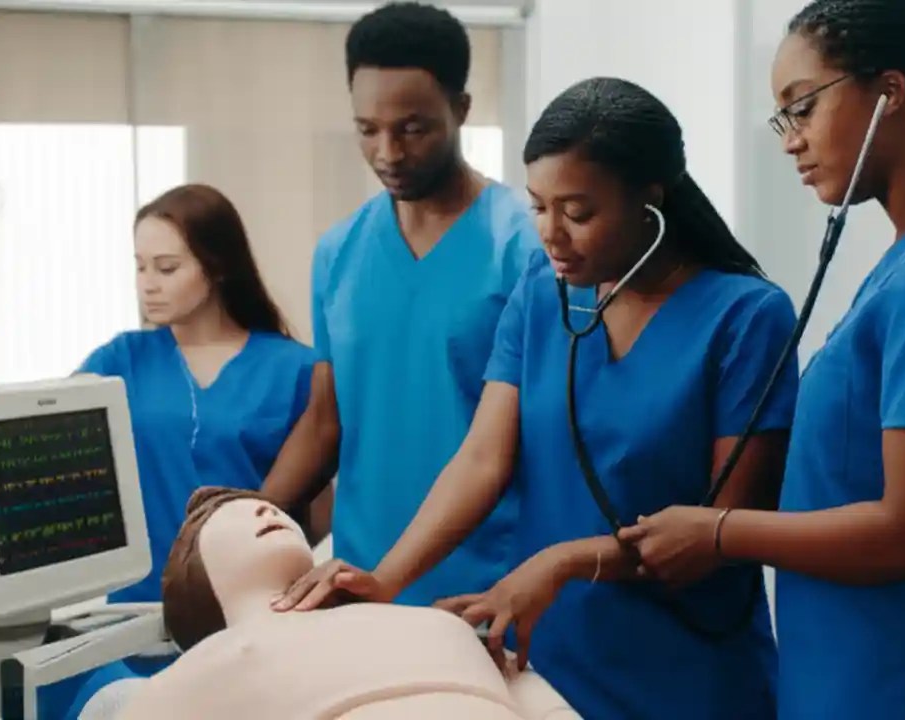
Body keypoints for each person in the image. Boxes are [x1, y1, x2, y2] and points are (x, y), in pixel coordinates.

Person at [277, 77, 800, 720]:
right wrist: (385, 581)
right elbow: (482, 460)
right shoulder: (544, 290)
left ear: (650, 201)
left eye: (578, 213)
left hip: (689, 673)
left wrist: (563, 562)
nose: (552, 234)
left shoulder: (747, 317)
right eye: (538, 207)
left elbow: (721, 530)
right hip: (551, 666)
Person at [617, 2, 905, 718]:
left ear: (889, 92)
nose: (790, 141)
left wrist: (718, 532)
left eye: (801, 108)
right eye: (782, 119)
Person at [261, 1, 541, 607]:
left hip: (489, 587)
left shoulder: (525, 246)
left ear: (461, 110)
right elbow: (325, 421)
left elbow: (530, 437)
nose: (387, 151)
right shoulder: (338, 252)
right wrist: (243, 517)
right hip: (359, 584)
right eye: (367, 129)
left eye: (412, 128)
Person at [112, 486, 580, 719]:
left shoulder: (436, 622)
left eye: (271, 508)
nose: (263, 508)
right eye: (233, 515)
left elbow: (543, 704)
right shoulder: (213, 662)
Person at [77, 184, 315, 602]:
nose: (148, 285)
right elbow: (39, 414)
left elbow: (321, 508)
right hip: (136, 609)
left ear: (218, 266)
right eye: (140, 267)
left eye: (167, 268)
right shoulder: (122, 359)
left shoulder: (295, 369)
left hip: (253, 605)